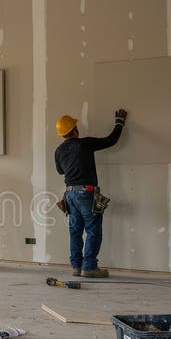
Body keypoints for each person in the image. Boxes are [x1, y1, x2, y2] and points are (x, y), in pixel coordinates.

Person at [54, 109, 128, 278]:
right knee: (93, 230)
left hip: (70, 195)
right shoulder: (84, 144)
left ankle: (76, 267)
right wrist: (119, 124)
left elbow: (60, 171)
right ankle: (89, 267)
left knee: (75, 231)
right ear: (74, 130)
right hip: (86, 193)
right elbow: (110, 140)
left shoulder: (58, 151)